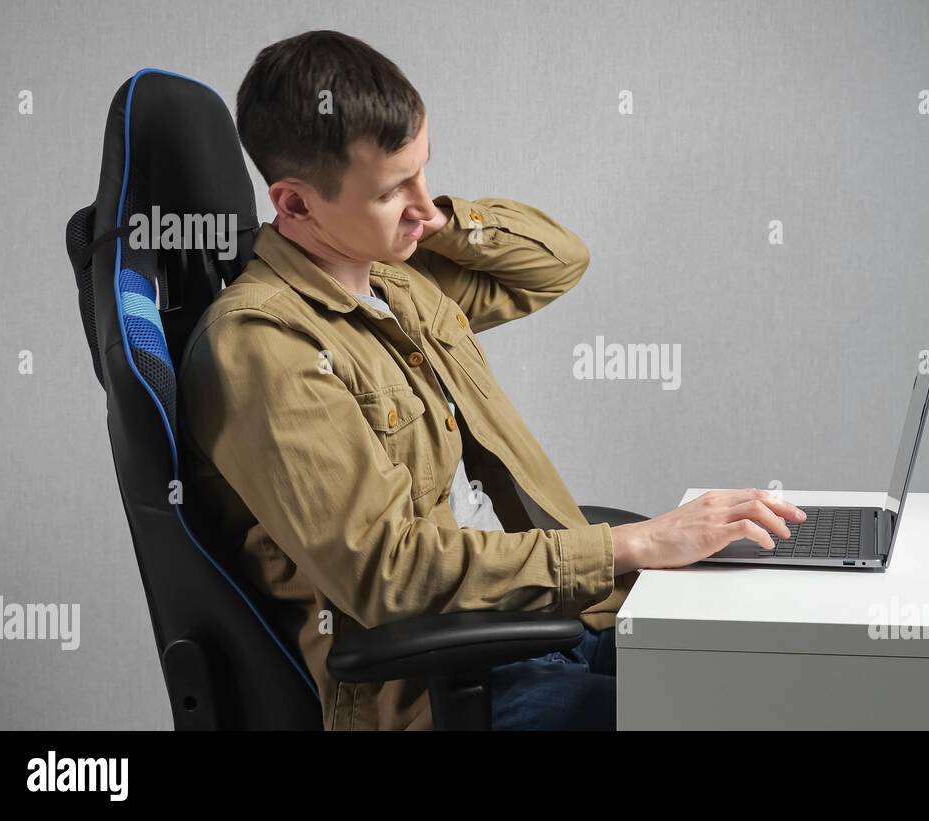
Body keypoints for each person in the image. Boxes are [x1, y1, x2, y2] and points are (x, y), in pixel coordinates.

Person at [178, 29, 805, 731]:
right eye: (392, 190)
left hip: (549, 625)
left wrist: (435, 218)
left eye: (424, 170)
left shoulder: (398, 281)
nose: (421, 202)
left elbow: (559, 262)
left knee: (786, 683)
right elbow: (390, 574)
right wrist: (631, 545)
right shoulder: (266, 345)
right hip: (449, 686)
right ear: (293, 205)